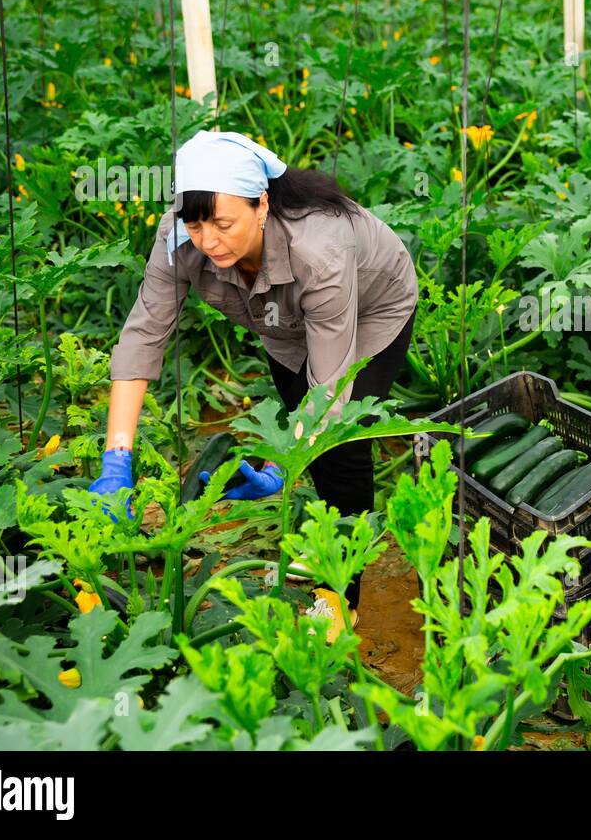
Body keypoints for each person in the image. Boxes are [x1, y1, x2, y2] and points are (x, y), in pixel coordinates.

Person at [88, 130, 419, 637]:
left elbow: (329, 391)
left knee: (341, 446)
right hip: (284, 325)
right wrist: (117, 457)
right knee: (298, 419)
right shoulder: (180, 239)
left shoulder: (318, 250)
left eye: (223, 224)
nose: (209, 241)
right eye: (196, 224)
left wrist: (278, 466)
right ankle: (321, 527)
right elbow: (143, 336)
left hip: (373, 310)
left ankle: (339, 592)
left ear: (261, 204)